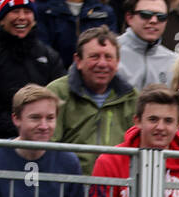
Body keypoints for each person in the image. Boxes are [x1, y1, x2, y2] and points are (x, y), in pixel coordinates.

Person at [48, 25, 137, 173]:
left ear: (117, 62)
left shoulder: (131, 97)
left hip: (115, 188)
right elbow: (47, 146)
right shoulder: (56, 93)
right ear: (78, 60)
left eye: (108, 57)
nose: (102, 64)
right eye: (94, 56)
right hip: (69, 188)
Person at [0, 0, 64, 138]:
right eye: (15, 11)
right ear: (2, 20)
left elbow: (60, 99)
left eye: (27, 12)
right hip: (1, 139)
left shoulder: (49, 56)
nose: (22, 17)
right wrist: (20, 130)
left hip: (44, 135)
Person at [33, 0, 116, 68]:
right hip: (55, 75)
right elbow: (43, 51)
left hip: (95, 74)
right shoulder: (43, 11)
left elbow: (111, 50)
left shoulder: (105, 12)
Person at [116, 0, 174, 88]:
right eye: (145, 14)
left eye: (161, 17)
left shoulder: (174, 62)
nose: (154, 20)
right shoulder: (109, 53)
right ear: (129, 18)